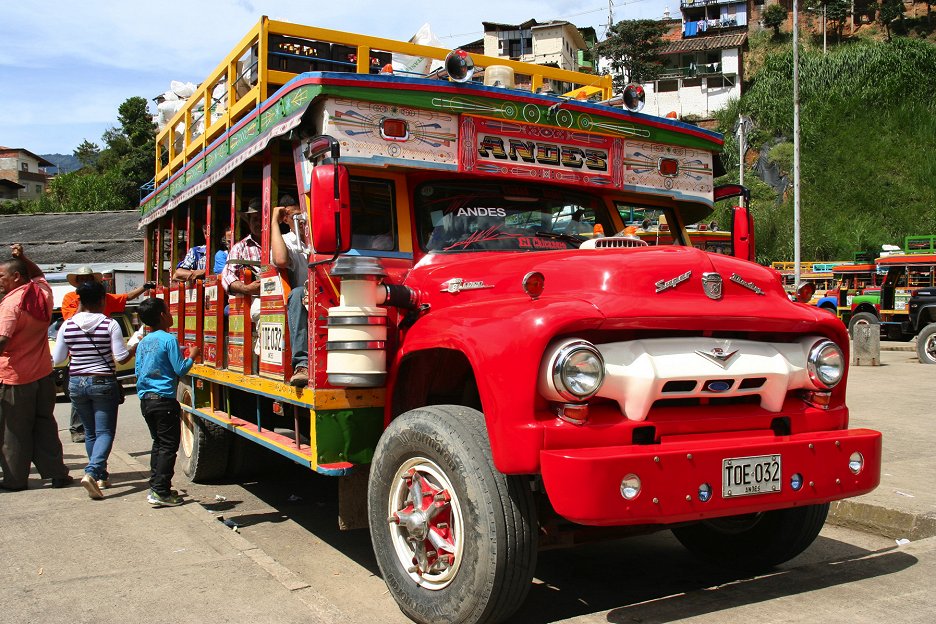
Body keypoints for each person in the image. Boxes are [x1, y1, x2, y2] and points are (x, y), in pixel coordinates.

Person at [0, 244, 73, 491]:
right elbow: (39, 274)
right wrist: (24, 258)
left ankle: (14, 479)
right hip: (43, 374)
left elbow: (2, 340)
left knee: (13, 431)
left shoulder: (10, 305)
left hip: (15, 378)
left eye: (2, 277)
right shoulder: (42, 294)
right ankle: (58, 474)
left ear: (16, 277)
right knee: (45, 425)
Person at [52, 280, 133, 500]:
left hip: (76, 383)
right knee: (105, 432)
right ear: (102, 300)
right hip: (102, 382)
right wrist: (134, 346)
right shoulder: (109, 324)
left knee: (90, 432)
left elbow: (58, 358)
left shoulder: (66, 325)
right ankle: (92, 472)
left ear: (79, 300)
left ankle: (101, 476)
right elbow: (121, 357)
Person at [61, 267, 154, 443]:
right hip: (86, 362)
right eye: (82, 279)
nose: (85, 281)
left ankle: (93, 456)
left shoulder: (106, 304)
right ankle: (79, 432)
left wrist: (144, 287)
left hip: (94, 365)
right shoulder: (71, 300)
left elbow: (127, 297)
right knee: (98, 426)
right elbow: (71, 319)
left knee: (94, 422)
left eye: (88, 278)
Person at [134, 297, 200, 507]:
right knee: (168, 447)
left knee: (159, 444)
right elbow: (180, 369)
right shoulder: (169, 340)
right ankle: (161, 491)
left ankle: (155, 487)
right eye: (168, 311)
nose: (171, 315)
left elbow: (138, 371)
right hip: (164, 400)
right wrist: (193, 356)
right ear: (163, 316)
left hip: (146, 400)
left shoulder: (144, 341)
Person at [270, 195, 310, 387]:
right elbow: (281, 260)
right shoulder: (286, 240)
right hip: (303, 301)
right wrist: (273, 223)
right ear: (286, 219)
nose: (301, 221)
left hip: (326, 293)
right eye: (295, 217)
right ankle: (302, 364)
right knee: (298, 293)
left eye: (304, 216)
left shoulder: (319, 238)